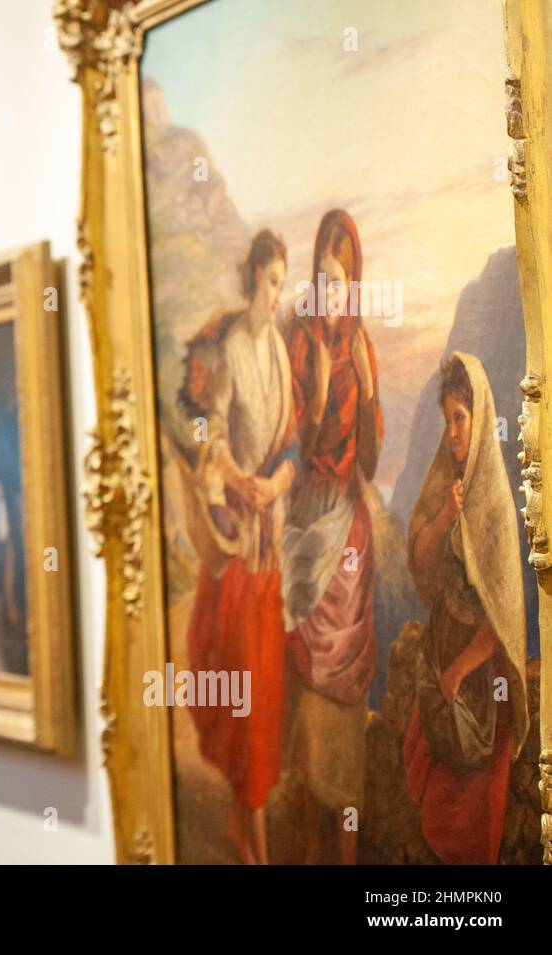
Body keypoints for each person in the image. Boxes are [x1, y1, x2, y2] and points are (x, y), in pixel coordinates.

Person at [175, 229, 296, 864]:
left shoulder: (277, 349)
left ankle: (244, 825)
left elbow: (292, 448)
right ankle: (256, 845)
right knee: (240, 693)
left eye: (282, 282)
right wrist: (235, 476)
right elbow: (204, 426)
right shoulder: (228, 349)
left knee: (264, 697)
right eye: (270, 280)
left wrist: (272, 483)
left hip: (267, 548)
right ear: (251, 277)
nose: (276, 294)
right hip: (235, 548)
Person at [278, 209, 382, 864]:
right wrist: (315, 404)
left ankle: (346, 848)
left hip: (349, 527)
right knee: (307, 691)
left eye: (339, 277)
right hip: (306, 520)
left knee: (345, 702)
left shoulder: (362, 344)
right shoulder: (301, 342)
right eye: (322, 275)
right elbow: (290, 453)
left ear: (354, 280)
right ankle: (313, 842)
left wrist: (368, 395)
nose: (330, 288)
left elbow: (369, 462)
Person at [403, 352, 528, 864]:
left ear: (477, 422)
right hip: (442, 648)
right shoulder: (446, 486)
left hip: (479, 670)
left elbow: (500, 615)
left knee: (474, 808)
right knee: (432, 792)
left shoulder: (495, 501)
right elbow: (421, 556)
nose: (453, 431)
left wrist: (459, 669)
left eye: (461, 418)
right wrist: (444, 517)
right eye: (447, 419)